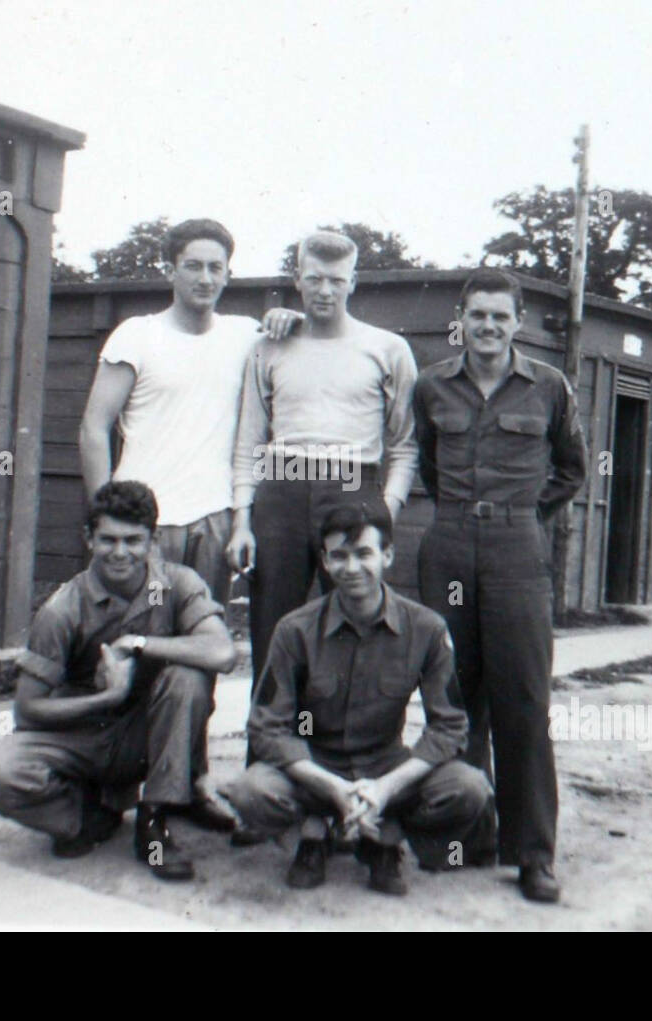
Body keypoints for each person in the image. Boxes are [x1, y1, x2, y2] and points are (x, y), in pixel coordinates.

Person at [78, 218, 297, 827]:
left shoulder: (245, 336)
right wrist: (108, 522)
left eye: (216, 267)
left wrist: (287, 321)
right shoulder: (137, 335)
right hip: (145, 529)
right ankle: (107, 795)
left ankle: (188, 787)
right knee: (127, 660)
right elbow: (94, 426)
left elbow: (293, 343)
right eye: (193, 265)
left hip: (212, 524)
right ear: (169, 269)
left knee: (195, 664)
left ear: (229, 274)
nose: (205, 277)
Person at [413, 268, 587, 903]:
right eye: (477, 314)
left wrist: (522, 512)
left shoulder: (549, 386)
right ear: (462, 317)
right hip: (451, 545)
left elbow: (571, 467)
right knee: (455, 692)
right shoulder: (432, 384)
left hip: (518, 550)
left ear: (519, 321)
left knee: (522, 697)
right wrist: (467, 513)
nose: (488, 326)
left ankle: (532, 852)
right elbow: (431, 464)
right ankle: (469, 834)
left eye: (500, 315)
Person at [221, 502, 495, 896]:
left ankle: (385, 836)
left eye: (364, 553)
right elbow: (266, 727)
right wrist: (331, 786)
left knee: (470, 788)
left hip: (387, 765)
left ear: (387, 555)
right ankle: (313, 833)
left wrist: (385, 788)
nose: (352, 568)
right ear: (325, 562)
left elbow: (450, 727)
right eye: (340, 556)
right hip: (316, 766)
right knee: (251, 791)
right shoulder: (294, 630)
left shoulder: (427, 629)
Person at [0, 481, 237, 882]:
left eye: (133, 540)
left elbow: (223, 654)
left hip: (150, 733)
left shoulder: (178, 585)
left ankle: (155, 819)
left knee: (187, 677)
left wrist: (141, 643)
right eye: (108, 540)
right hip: (84, 733)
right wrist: (108, 697)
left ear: (153, 540)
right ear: (88, 539)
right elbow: (27, 709)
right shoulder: (63, 609)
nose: (120, 552)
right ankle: (88, 817)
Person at [226, 230, 419, 686]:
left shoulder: (388, 349)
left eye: (336, 280)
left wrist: (386, 510)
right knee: (273, 628)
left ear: (354, 282)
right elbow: (250, 440)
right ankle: (269, 752)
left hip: (353, 485)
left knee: (357, 621)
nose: (325, 290)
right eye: (314, 279)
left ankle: (352, 751)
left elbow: (405, 443)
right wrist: (241, 519)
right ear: (298, 279)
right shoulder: (268, 345)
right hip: (283, 490)